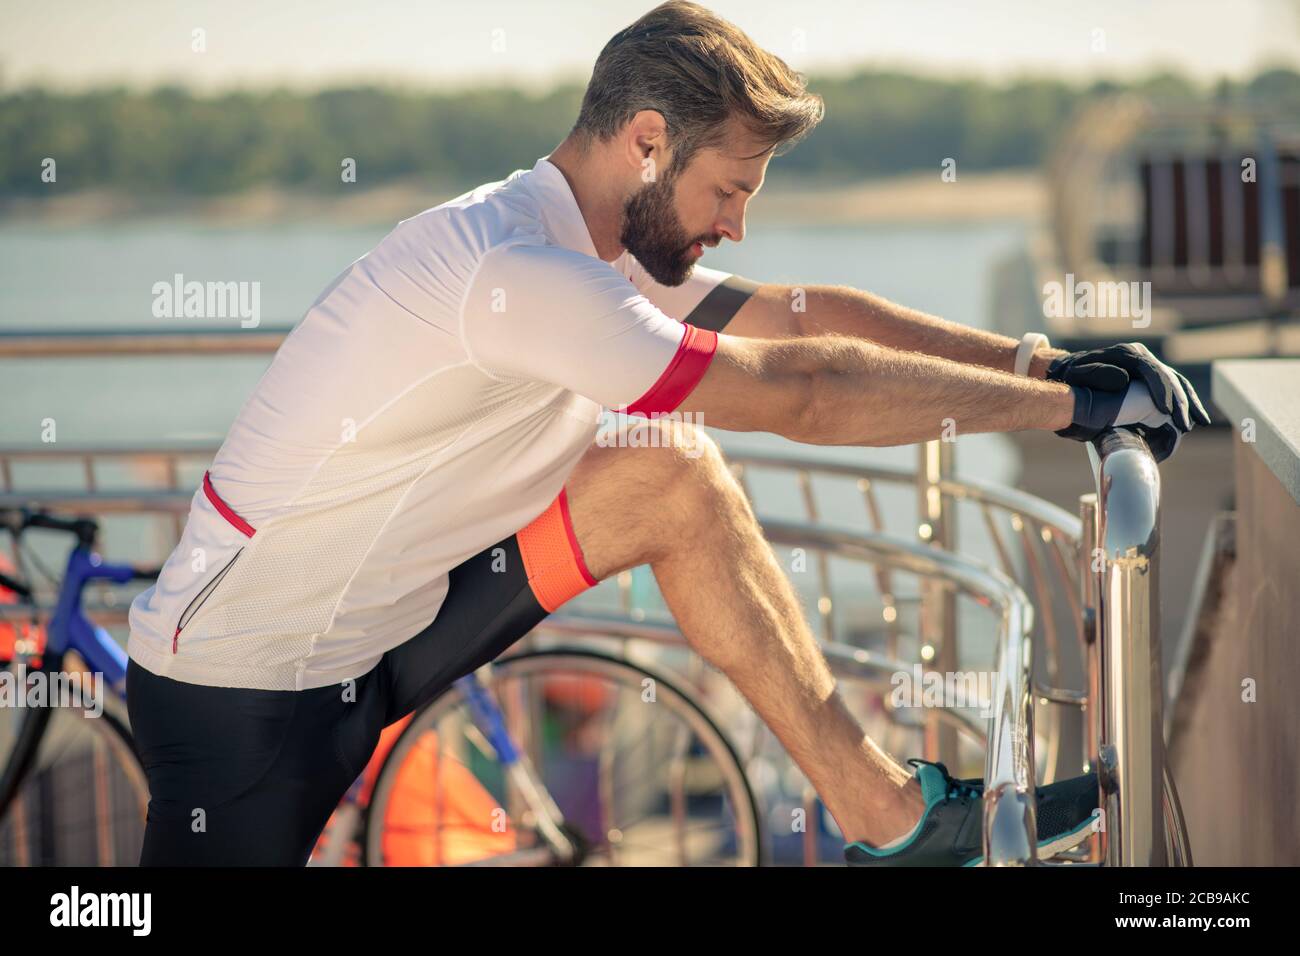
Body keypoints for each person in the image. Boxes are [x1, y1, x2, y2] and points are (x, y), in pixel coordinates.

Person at [124, 0, 1209, 867]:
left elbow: (798, 318)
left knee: (671, 477)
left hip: (379, 641)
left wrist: (1045, 363)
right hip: (241, 695)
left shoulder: (601, 242)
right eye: (729, 188)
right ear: (648, 142)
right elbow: (803, 390)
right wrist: (1073, 411)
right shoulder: (521, 273)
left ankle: (895, 818)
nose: (736, 222)